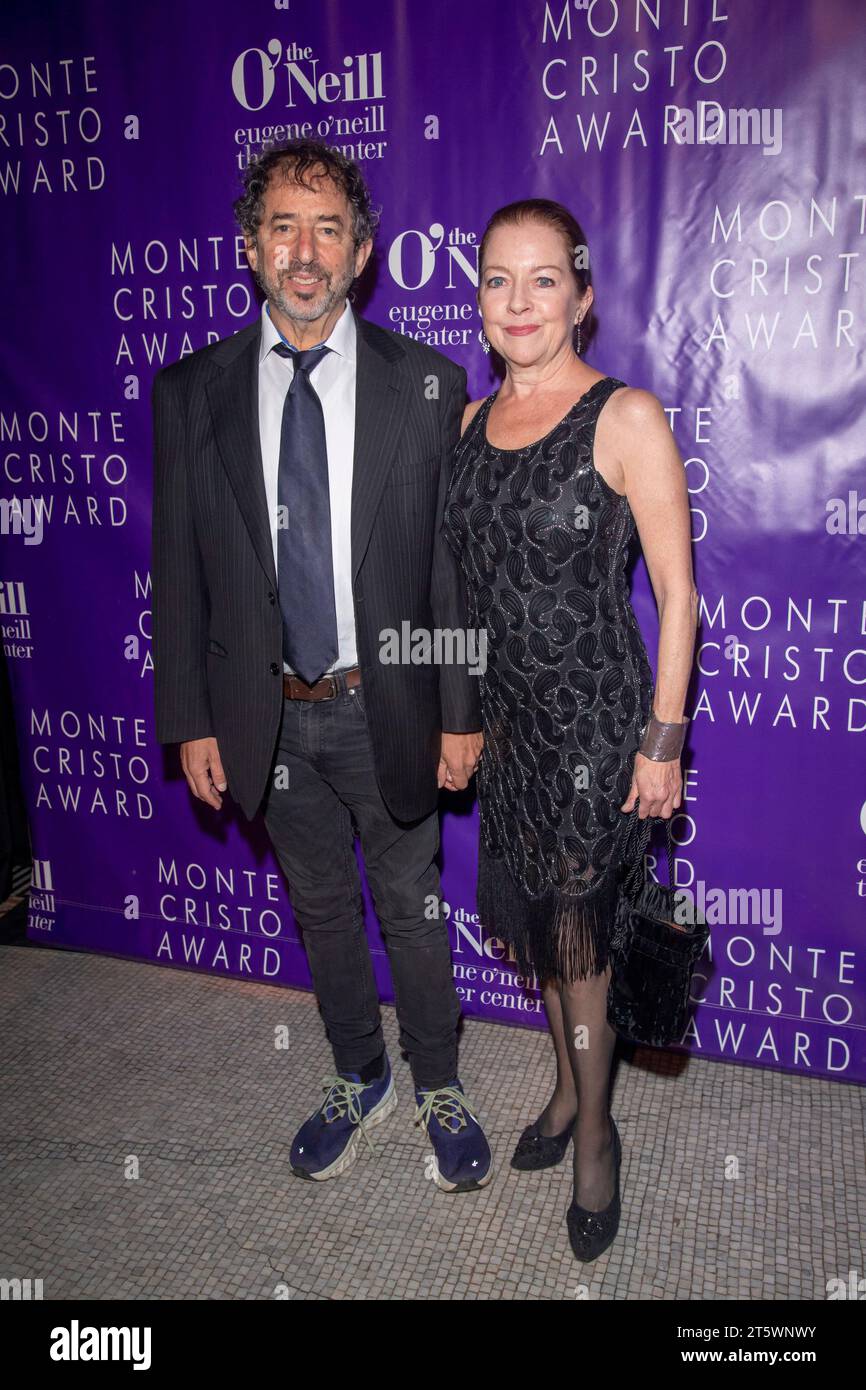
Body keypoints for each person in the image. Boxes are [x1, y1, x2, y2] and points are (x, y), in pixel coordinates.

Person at [151, 139, 493, 1193]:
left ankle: (436, 1079)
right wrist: (191, 720)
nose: (305, 251)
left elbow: (450, 572)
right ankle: (358, 1072)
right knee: (320, 910)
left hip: (383, 701)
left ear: (363, 251)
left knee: (413, 908)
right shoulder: (191, 390)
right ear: (250, 247)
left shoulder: (427, 385)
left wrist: (459, 708)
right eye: (284, 227)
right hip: (266, 714)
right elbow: (180, 571)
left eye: (328, 227)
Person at [443, 198, 698, 1258]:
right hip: (507, 731)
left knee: (584, 945)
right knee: (542, 936)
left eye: (542, 278)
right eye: (497, 278)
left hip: (597, 728)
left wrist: (661, 740)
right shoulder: (463, 423)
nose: (517, 300)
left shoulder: (623, 416)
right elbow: (456, 592)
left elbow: (679, 599)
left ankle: (597, 1133)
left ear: (581, 296)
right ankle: (558, 1089)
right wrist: (459, 715)